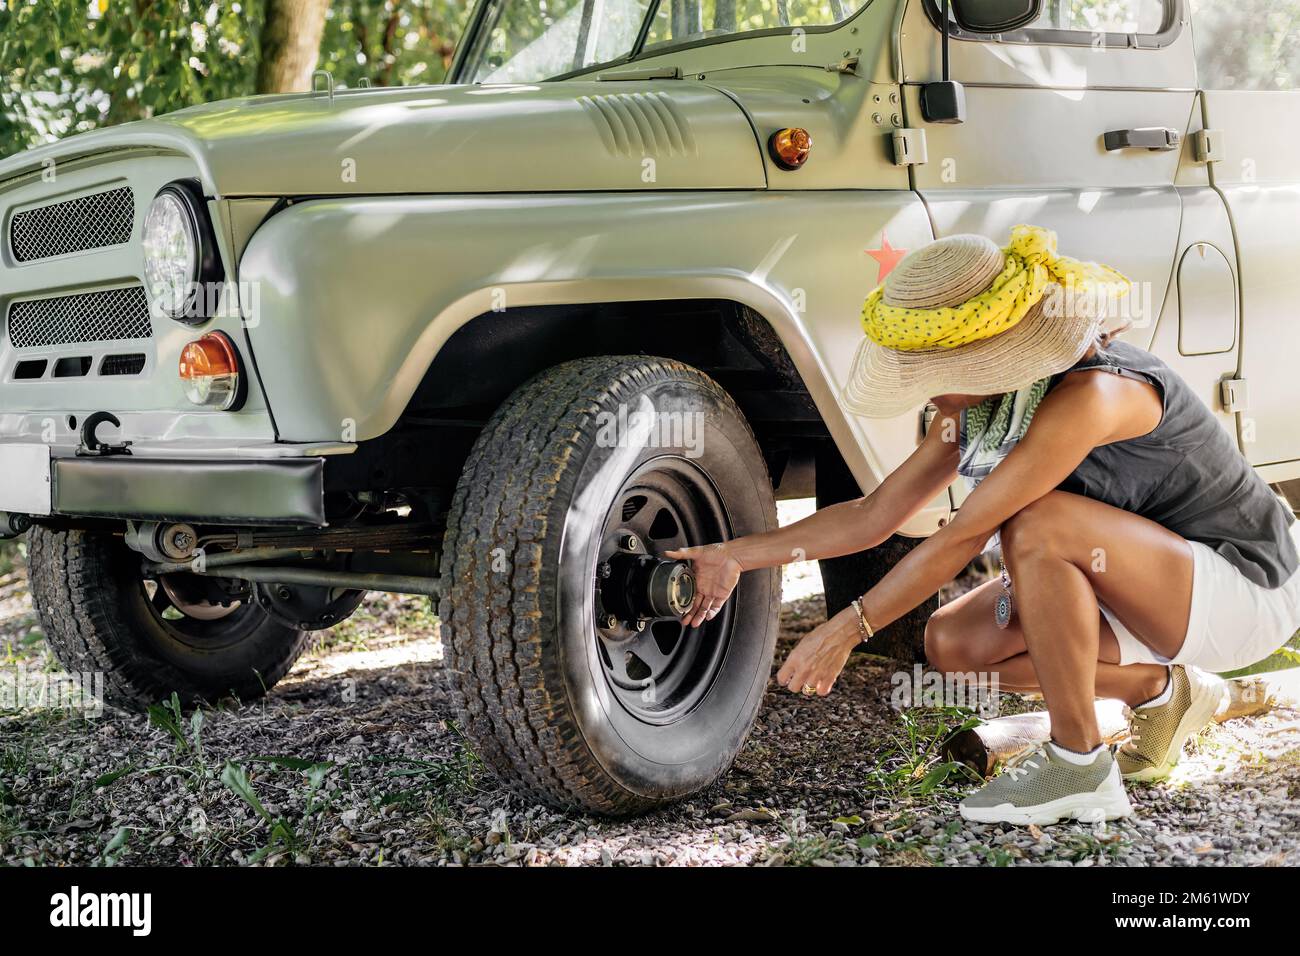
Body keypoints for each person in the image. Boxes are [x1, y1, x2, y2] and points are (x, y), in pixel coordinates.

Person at [666, 225, 1300, 826]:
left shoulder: (1097, 395)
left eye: (933, 377)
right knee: (955, 649)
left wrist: (848, 627)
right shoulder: (991, 408)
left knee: (1039, 525)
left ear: (987, 361)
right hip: (1147, 588)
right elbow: (874, 515)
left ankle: (1079, 767)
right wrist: (734, 554)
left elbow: (966, 532)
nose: (927, 397)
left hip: (1244, 587)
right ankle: (1164, 690)